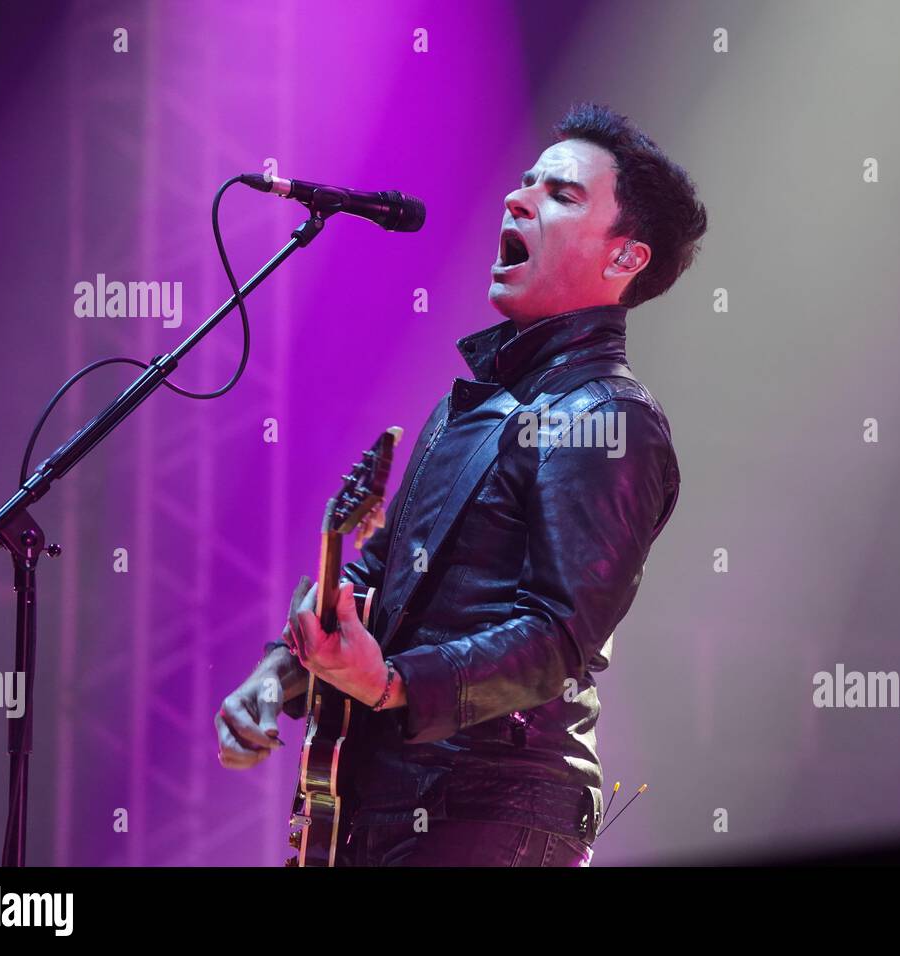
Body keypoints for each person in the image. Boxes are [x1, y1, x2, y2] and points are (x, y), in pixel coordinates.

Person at [215, 102, 707, 866]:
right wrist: (277, 674)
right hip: (385, 800)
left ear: (624, 259)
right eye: (525, 183)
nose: (517, 199)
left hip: (488, 810)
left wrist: (391, 683)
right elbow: (375, 581)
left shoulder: (604, 416)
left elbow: (560, 634)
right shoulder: (468, 407)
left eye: (563, 195)